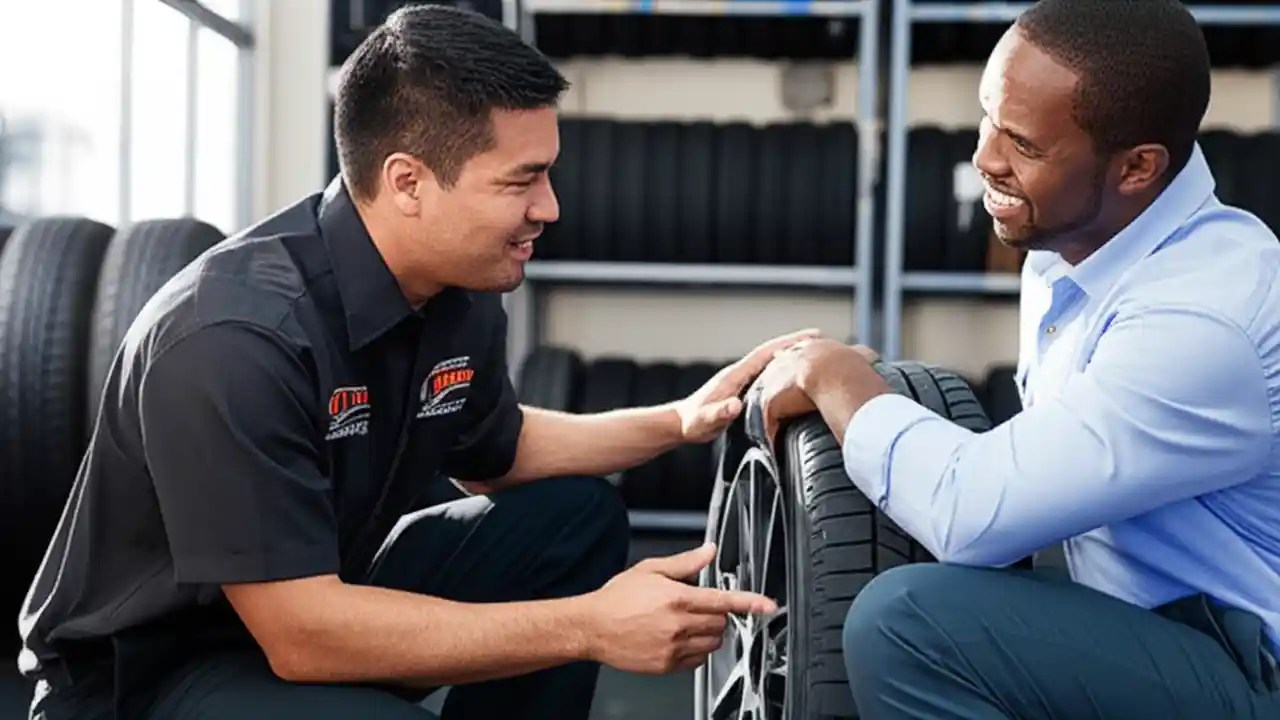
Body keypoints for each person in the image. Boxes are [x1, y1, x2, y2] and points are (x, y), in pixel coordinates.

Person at [17, 6, 798, 719]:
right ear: (408, 183)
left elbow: (500, 452)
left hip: (312, 601)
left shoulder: (456, 289)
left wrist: (680, 420)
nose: (550, 207)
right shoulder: (233, 337)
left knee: (575, 519)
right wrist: (588, 627)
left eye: (548, 171)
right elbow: (303, 637)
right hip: (152, 676)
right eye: (521, 180)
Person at [753, 0, 1280, 716]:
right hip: (1161, 627)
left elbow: (974, 516)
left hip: (1253, 672)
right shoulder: (1072, 249)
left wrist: (839, 379)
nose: (983, 158)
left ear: (1137, 169)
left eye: (1024, 146)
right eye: (987, 116)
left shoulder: (1202, 321)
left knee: (908, 625)